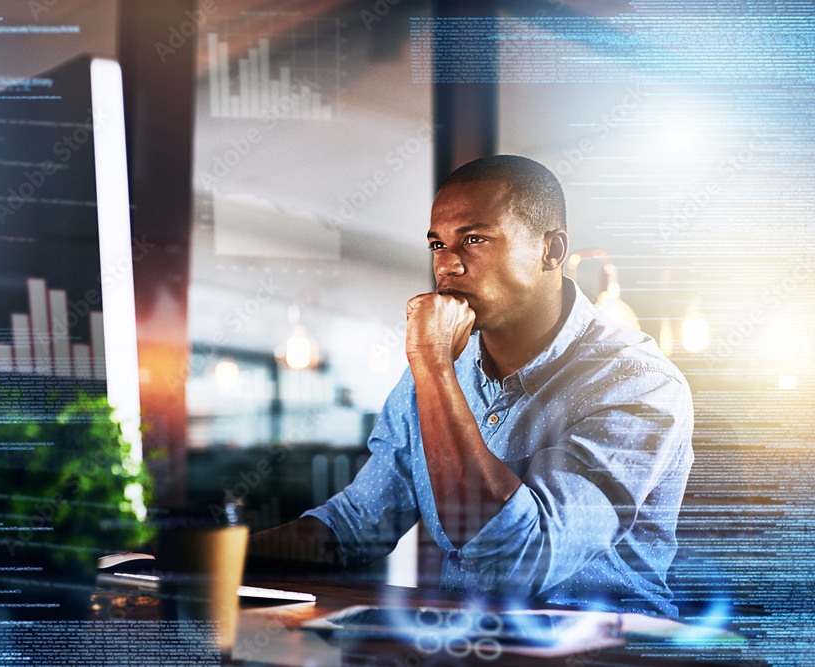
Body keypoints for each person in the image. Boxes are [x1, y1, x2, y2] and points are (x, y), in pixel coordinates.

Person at [248, 155, 694, 617]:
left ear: (552, 251)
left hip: (607, 651)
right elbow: (356, 525)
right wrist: (204, 561)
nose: (448, 266)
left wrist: (431, 363)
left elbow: (516, 560)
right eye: (437, 245)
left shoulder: (637, 381)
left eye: (475, 239)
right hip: (469, 645)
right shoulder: (438, 373)